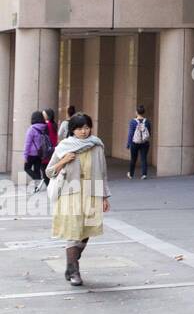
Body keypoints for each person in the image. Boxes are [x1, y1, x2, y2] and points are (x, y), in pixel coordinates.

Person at [46, 113, 111, 287]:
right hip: (70, 195)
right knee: (74, 232)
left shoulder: (97, 146)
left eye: (87, 127)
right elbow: (49, 171)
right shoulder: (64, 147)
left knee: (87, 231)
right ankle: (74, 270)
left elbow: (102, 173)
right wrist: (64, 161)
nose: (84, 131)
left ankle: (70, 262)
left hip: (91, 194)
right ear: (72, 130)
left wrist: (104, 196)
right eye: (80, 128)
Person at [23, 111, 54, 193]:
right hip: (40, 153)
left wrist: (25, 156)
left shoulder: (32, 129)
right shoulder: (44, 127)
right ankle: (37, 187)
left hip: (31, 154)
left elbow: (27, 143)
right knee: (37, 169)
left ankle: (39, 179)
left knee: (27, 168)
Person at [127, 105, 152, 180]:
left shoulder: (133, 122)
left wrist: (128, 143)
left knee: (133, 159)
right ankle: (144, 174)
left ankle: (131, 174)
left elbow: (131, 134)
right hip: (145, 142)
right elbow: (149, 133)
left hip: (135, 143)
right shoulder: (147, 121)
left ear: (137, 112)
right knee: (143, 158)